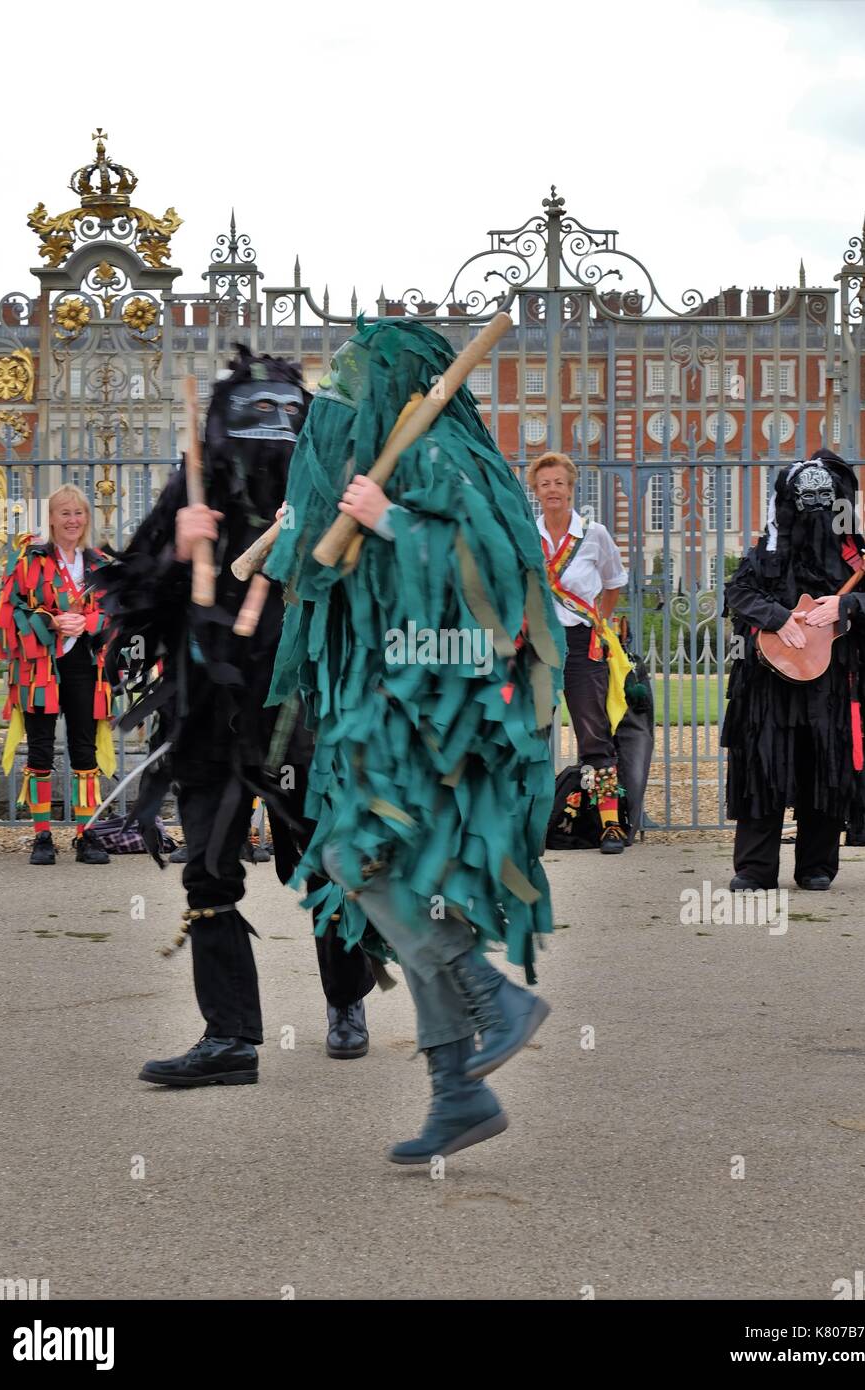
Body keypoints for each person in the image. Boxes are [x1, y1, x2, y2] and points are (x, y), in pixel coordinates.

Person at [264, 318, 564, 1163]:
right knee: (410, 887)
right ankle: (457, 1090)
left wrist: (392, 521)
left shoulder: (439, 456)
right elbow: (325, 581)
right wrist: (307, 525)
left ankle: (489, 999)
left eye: (358, 380)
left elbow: (503, 588)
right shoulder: (395, 451)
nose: (342, 397)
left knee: (353, 860)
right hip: (397, 711)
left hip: (442, 722)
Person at [99, 346, 374, 1088]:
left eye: (291, 413)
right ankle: (230, 1038)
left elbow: (377, 598)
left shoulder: (326, 503)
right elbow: (127, 599)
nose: (275, 425)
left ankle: (347, 1000)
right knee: (209, 873)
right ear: (223, 420)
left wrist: (358, 537)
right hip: (205, 716)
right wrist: (176, 552)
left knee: (322, 862)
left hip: (297, 715)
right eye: (258, 411)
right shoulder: (190, 496)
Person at [722, 449, 865, 892]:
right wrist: (777, 617)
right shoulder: (766, 553)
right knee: (764, 766)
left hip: (832, 683)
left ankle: (817, 866)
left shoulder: (855, 555)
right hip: (768, 684)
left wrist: (846, 603)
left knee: (826, 765)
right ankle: (756, 868)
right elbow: (737, 593)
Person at [0, 484, 114, 865]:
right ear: (51, 519)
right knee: (41, 747)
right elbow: (8, 612)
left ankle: (86, 834)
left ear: (86, 519)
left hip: (85, 665)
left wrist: (90, 621)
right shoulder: (30, 559)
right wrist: (50, 621)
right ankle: (42, 836)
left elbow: (119, 614)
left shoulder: (100, 563)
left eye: (78, 513)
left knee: (84, 747)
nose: (72, 520)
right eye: (64, 513)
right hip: (39, 664)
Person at [529, 451, 630, 853]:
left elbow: (614, 582)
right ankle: (533, 824)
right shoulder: (525, 533)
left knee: (594, 734)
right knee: (534, 734)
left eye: (559, 483)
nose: (552, 489)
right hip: (538, 645)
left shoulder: (595, 534)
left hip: (580, 643)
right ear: (535, 491)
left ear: (571, 489)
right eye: (544, 483)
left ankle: (609, 825)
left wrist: (599, 623)